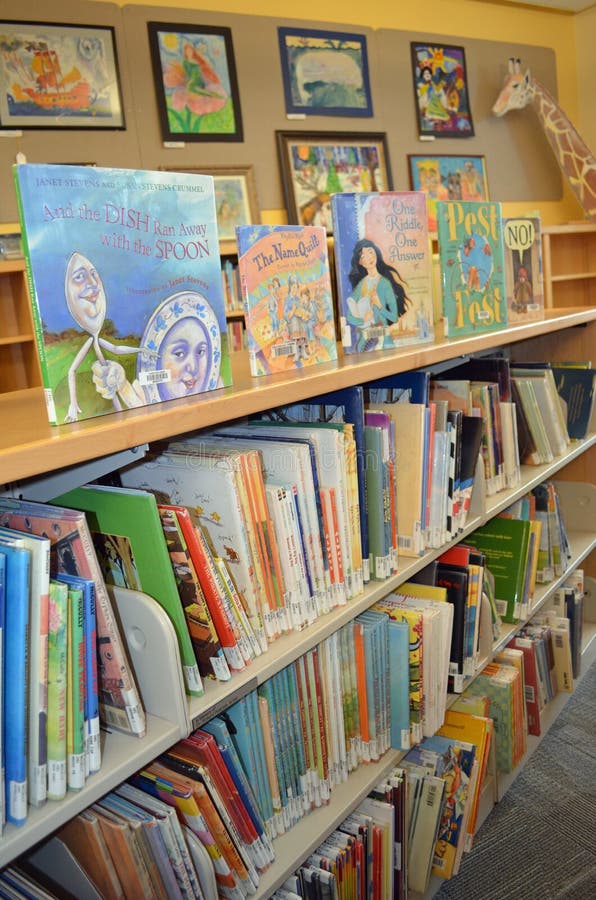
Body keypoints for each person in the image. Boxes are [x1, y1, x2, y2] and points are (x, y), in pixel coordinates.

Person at [63, 251, 151, 422]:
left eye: (93, 274)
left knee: (118, 404)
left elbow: (116, 349)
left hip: (117, 386)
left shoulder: (97, 338)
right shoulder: (91, 340)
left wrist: (141, 350)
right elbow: (71, 370)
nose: (92, 283)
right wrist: (73, 404)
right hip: (110, 389)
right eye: (80, 277)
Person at [138, 290, 223, 401]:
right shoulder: (141, 399)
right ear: (157, 362)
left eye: (200, 352)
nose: (193, 367)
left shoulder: (217, 389)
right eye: (179, 354)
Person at [345, 239, 410, 350]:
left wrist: (380, 306)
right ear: (361, 262)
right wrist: (363, 320)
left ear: (376, 252)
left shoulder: (385, 284)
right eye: (363, 256)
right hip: (364, 345)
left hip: (383, 343)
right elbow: (349, 316)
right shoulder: (361, 285)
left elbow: (394, 317)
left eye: (370, 252)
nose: (369, 257)